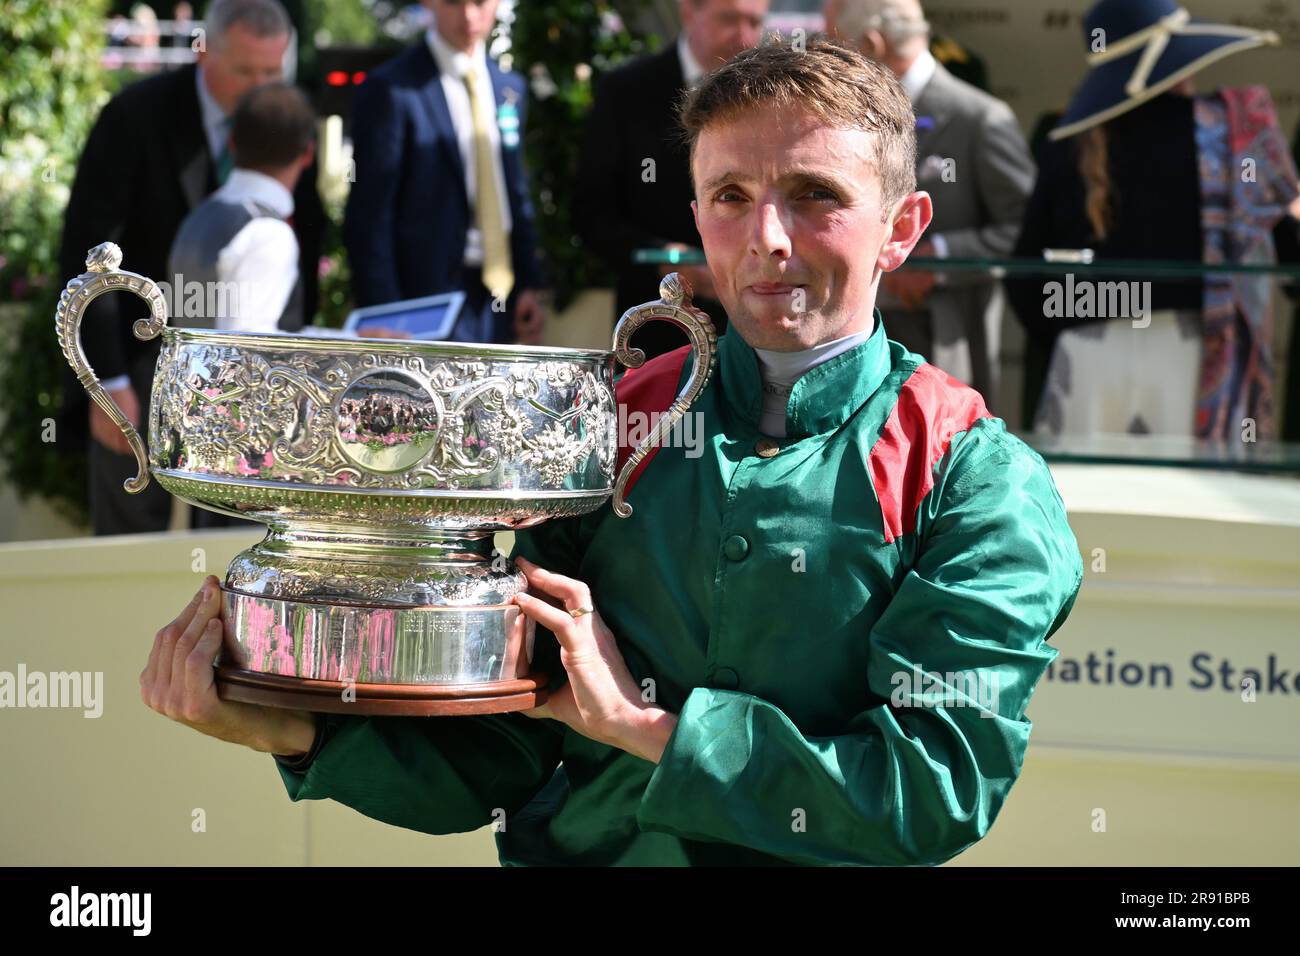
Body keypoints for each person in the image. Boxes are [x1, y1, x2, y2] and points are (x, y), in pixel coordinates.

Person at [141, 36, 1083, 867]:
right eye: (731, 196)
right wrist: (287, 729)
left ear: (903, 227)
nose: (767, 238)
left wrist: (651, 731)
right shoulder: (608, 422)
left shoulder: (972, 474)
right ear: (696, 212)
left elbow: (931, 796)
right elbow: (496, 760)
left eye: (814, 196)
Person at [58, 0, 326, 536]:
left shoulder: (280, 117)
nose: (260, 85)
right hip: (138, 362)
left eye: (271, 71)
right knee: (129, 535)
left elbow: (307, 227)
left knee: (231, 542)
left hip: (243, 388)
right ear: (205, 54)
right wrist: (104, 380)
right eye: (245, 70)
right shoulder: (134, 117)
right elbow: (90, 252)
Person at [1005, 0, 1300, 441]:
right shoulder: (1234, 135)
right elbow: (1292, 252)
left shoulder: (1067, 142)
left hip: (1089, 355)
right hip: (1194, 354)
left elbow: (1027, 283)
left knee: (1088, 503)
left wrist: (1098, 314)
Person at [826, 0, 1035, 410]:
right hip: (852, 344)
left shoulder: (980, 118)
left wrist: (937, 260)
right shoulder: (848, 116)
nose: (835, 66)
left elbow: (1027, 227)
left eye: (841, 51)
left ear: (872, 44)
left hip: (944, 343)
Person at [343, 0, 547, 346]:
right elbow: (369, 215)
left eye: (480, 2)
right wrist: (385, 317)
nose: (469, 16)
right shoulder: (390, 89)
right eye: (454, 3)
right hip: (422, 305)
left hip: (499, 300)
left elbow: (513, 189)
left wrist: (529, 283)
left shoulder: (509, 87)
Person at [574, 0, 767, 361]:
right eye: (728, 19)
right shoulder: (627, 91)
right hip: (656, 331)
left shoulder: (771, 98)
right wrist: (666, 260)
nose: (743, 36)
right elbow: (592, 214)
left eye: (754, 21)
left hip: (755, 336)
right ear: (689, 12)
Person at [168, 82, 316, 335]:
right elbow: (247, 345)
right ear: (308, 154)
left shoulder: (201, 213)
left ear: (232, 143)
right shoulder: (268, 233)